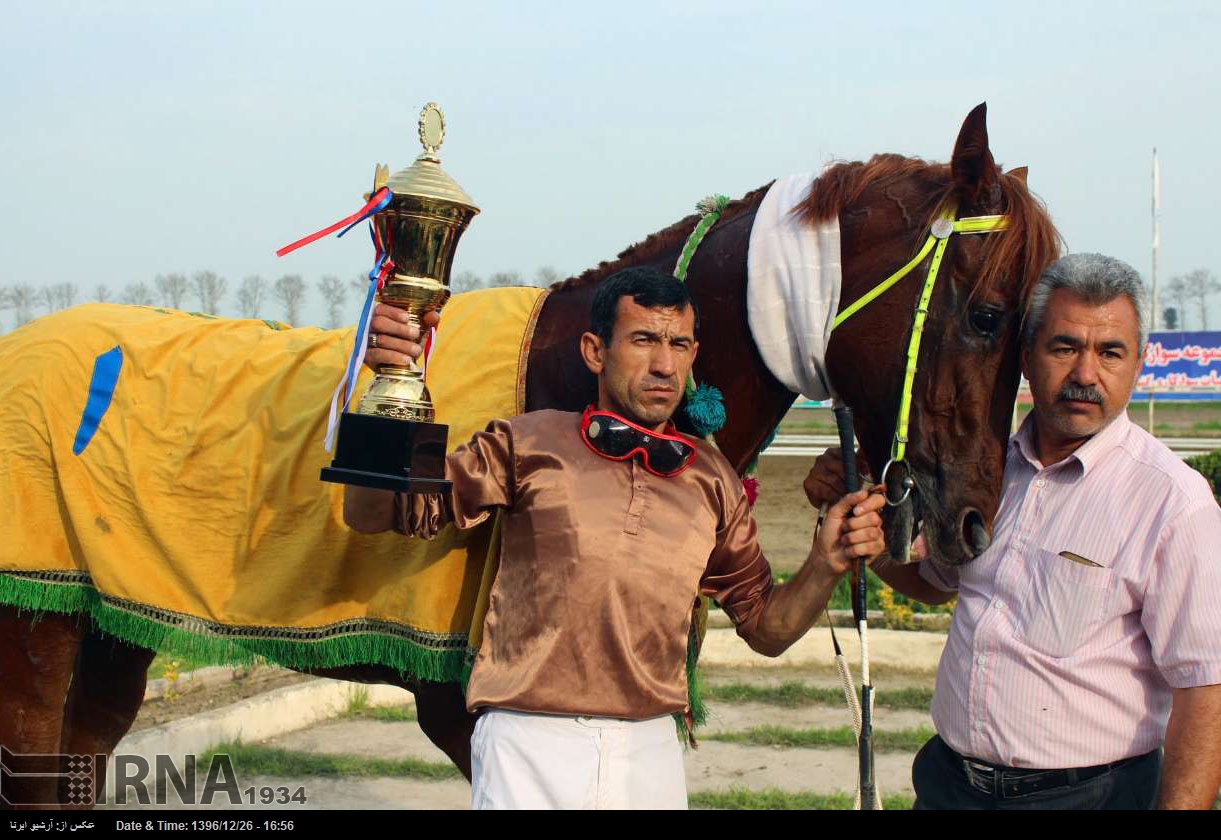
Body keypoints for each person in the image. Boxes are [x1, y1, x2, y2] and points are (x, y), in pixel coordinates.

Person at [344, 266, 887, 809]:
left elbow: (768, 630)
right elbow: (374, 512)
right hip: (528, 741)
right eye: (643, 340)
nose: (663, 364)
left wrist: (826, 562)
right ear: (594, 351)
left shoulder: (713, 477)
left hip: (652, 750)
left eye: (678, 344)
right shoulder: (526, 441)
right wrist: (389, 387)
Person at [805, 253, 1221, 809]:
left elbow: (1206, 690)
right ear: (1026, 356)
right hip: (952, 786)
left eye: (1109, 353)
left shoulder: (1172, 502)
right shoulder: (988, 470)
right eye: (1065, 347)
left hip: (1090, 796)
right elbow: (935, 581)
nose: (1085, 374)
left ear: (1139, 364)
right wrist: (866, 535)